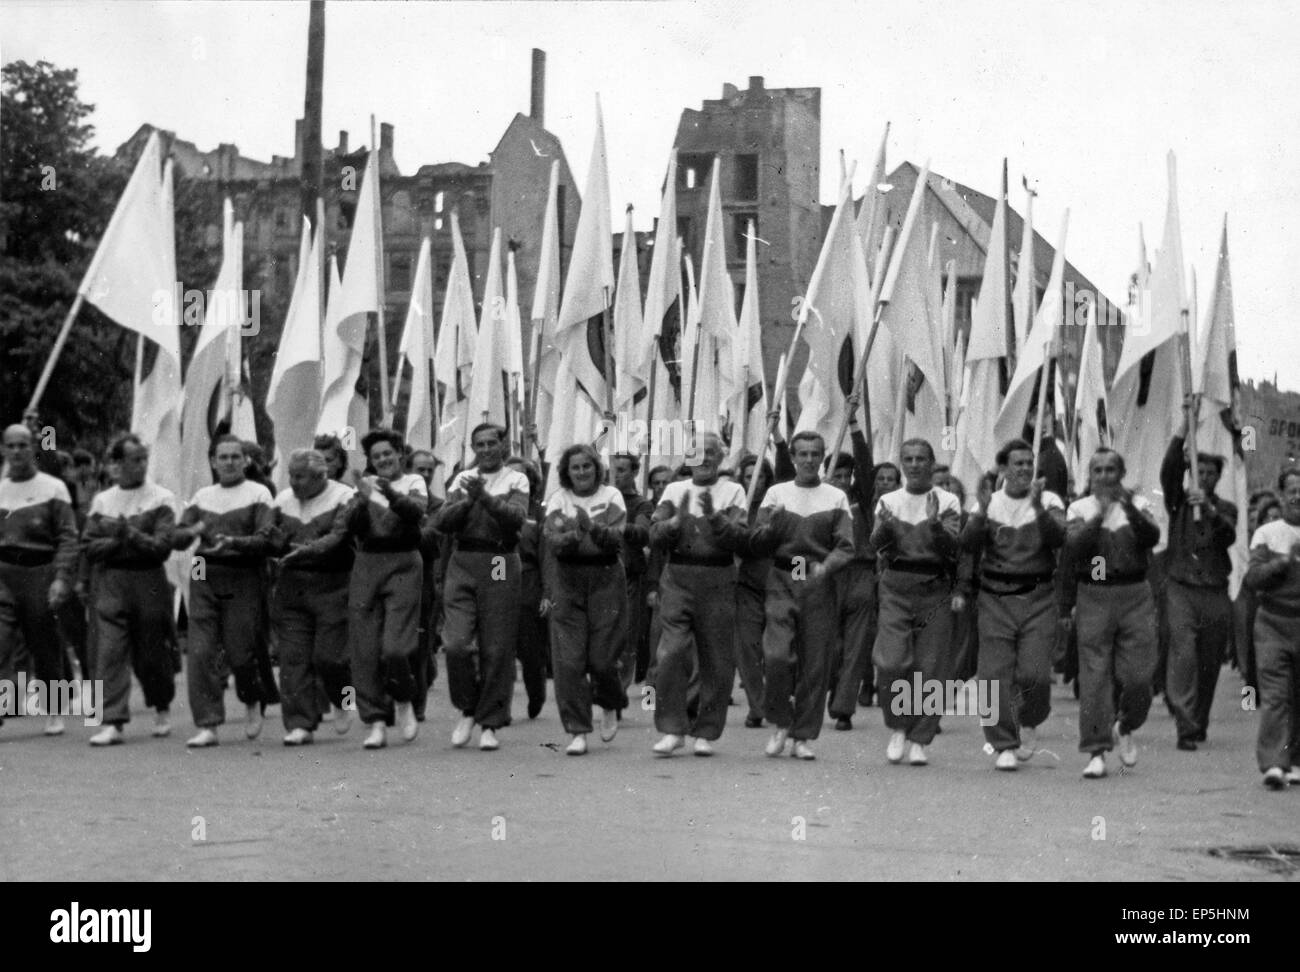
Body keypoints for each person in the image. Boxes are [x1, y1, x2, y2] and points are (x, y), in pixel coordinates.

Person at [746, 431, 855, 759]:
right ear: (792, 458)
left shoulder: (835, 497)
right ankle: (781, 721)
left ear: (823, 457)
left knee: (815, 662)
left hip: (817, 581)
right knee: (777, 655)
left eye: (815, 453)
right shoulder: (777, 493)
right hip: (782, 578)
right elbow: (757, 540)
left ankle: (802, 735)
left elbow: (846, 545)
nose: (809, 459)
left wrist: (828, 565)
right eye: (803, 454)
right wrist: (771, 528)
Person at [962, 439, 1066, 771]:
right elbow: (966, 544)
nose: (1023, 469)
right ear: (1004, 469)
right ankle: (1002, 743)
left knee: (1033, 672)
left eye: (1027, 463)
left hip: (1037, 597)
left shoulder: (1048, 500)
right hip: (996, 598)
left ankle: (1030, 717)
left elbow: (1060, 539)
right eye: (1016, 464)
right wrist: (979, 514)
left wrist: (1035, 506)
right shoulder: (989, 503)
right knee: (994, 675)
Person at [173, 434, 278, 748]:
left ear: (245, 461)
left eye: (236, 456)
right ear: (213, 461)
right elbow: (178, 536)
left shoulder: (258, 493)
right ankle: (207, 724)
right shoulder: (203, 495)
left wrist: (234, 543)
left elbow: (266, 538)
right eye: (224, 457)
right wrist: (193, 531)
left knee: (240, 649)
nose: (230, 462)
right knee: (201, 650)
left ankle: (252, 699)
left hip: (243, 572)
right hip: (204, 570)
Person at [647, 431, 747, 757]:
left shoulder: (733, 490)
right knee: (671, 654)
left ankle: (706, 730)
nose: (703, 458)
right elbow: (655, 532)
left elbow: (739, 538)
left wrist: (715, 518)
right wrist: (674, 524)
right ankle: (672, 728)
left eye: (710, 452)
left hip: (718, 579)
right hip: (678, 578)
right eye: (696, 453)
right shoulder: (675, 490)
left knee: (717, 660)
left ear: (720, 457)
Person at [1064, 448, 1161, 779]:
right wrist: (1098, 516)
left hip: (1135, 594)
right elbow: (1075, 548)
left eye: (1110, 470)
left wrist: (1128, 507)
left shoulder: (1139, 505)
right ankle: (1095, 750)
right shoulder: (1078, 508)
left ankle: (1126, 723)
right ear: (1090, 475)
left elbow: (1152, 536)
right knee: (1094, 675)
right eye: (1097, 470)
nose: (1104, 476)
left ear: (1121, 474)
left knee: (1139, 676)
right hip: (1095, 593)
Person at [432, 424, 529, 751]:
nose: (486, 449)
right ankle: (468, 707)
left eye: (492, 443)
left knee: (497, 646)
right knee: (456, 643)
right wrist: (467, 502)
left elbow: (515, 519)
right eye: (480, 444)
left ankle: (490, 721)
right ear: (473, 447)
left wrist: (485, 498)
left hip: (499, 558)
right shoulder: (463, 479)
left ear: (503, 445)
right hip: (465, 558)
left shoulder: (516, 479)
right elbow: (443, 522)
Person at [81, 434, 177, 746]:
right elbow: (89, 545)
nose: (141, 465)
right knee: (109, 651)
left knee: (151, 652)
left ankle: (161, 705)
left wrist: (129, 535)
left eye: (143, 459)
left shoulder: (161, 498)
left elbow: (162, 546)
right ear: (118, 464)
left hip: (148, 581)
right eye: (134, 460)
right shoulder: (103, 501)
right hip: (112, 581)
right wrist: (121, 541)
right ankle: (112, 720)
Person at [871, 438, 961, 766]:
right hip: (895, 587)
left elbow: (953, 547)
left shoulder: (947, 500)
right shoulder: (889, 500)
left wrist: (935, 524)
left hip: (934, 589)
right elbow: (875, 543)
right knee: (891, 662)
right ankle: (898, 726)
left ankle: (920, 739)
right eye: (907, 459)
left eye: (921, 458)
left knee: (930, 669)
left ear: (931, 461)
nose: (914, 465)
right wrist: (889, 525)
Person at [342, 428, 428, 750]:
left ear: (400, 454)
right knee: (364, 648)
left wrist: (386, 494)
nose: (383, 460)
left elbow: (415, 513)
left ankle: (404, 700)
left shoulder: (413, 483)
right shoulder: (363, 486)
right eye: (376, 456)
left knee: (396, 647)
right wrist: (362, 500)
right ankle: (375, 721)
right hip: (367, 564)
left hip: (403, 563)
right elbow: (350, 526)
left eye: (388, 454)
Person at [541, 444, 628, 755]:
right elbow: (553, 540)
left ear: (596, 468)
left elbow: (616, 538)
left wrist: (591, 527)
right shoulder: (558, 499)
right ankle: (577, 729)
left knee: (603, 658)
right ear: (567, 471)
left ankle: (609, 702)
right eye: (575, 467)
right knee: (568, 660)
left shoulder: (611, 497)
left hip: (605, 579)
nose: (581, 472)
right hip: (567, 580)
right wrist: (577, 535)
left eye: (587, 466)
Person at [1160, 405, 1237, 751]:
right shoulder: (1179, 502)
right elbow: (1168, 472)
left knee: (1209, 661)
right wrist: (1181, 430)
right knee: (1184, 655)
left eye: (1209, 473)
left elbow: (1229, 536)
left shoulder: (1226, 509)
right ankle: (1185, 724)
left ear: (1217, 478)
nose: (1203, 477)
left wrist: (1208, 510)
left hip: (1215, 591)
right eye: (1199, 472)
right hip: (1181, 589)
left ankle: (1197, 720)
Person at [268, 449, 356, 746]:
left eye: (300, 476)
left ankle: (344, 698)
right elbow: (273, 539)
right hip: (292, 588)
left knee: (330, 657)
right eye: (291, 475)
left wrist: (305, 550)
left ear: (321, 476)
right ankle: (300, 723)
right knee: (293, 659)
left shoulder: (343, 496)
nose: (293, 482)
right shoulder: (281, 500)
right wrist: (273, 542)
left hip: (333, 586)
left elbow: (340, 537)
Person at [0, 423, 79, 735]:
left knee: (44, 643)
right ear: (3, 450)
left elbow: (68, 537)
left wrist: (61, 578)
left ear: (33, 448)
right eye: (11, 446)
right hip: (4, 573)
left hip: (40, 571)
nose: (17, 451)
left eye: (23, 445)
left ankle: (55, 709)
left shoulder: (53, 488)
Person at [1244, 467, 1300, 789]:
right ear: (1281, 495)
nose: (1297, 496)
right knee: (1276, 695)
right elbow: (1252, 578)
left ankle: (1296, 760)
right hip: (1273, 624)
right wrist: (1281, 563)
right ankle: (1274, 763)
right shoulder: (1268, 533)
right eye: (1291, 490)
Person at [825, 401, 878, 731]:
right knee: (830, 644)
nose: (843, 480)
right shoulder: (819, 501)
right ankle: (834, 689)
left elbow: (866, 464)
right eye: (838, 475)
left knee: (857, 645)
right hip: (828, 576)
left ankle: (844, 707)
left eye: (848, 475)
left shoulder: (863, 500)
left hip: (860, 573)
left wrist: (855, 425)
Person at [735, 453, 778, 728]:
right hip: (746, 584)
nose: (755, 482)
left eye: (760, 476)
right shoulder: (737, 507)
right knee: (747, 648)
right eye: (750, 476)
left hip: (777, 584)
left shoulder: (777, 505)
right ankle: (757, 706)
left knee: (776, 650)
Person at [508, 457, 548, 719]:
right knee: (499, 648)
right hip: (502, 576)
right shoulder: (499, 506)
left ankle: (537, 691)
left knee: (529, 648)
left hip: (530, 579)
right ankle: (498, 704)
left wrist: (547, 592)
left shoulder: (540, 513)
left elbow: (546, 557)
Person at [610, 452, 654, 689]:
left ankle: (619, 688)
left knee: (626, 635)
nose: (616, 475)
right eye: (613, 469)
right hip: (601, 574)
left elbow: (642, 533)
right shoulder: (602, 498)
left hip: (628, 575)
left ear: (635, 472)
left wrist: (618, 525)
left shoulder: (641, 504)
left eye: (622, 470)